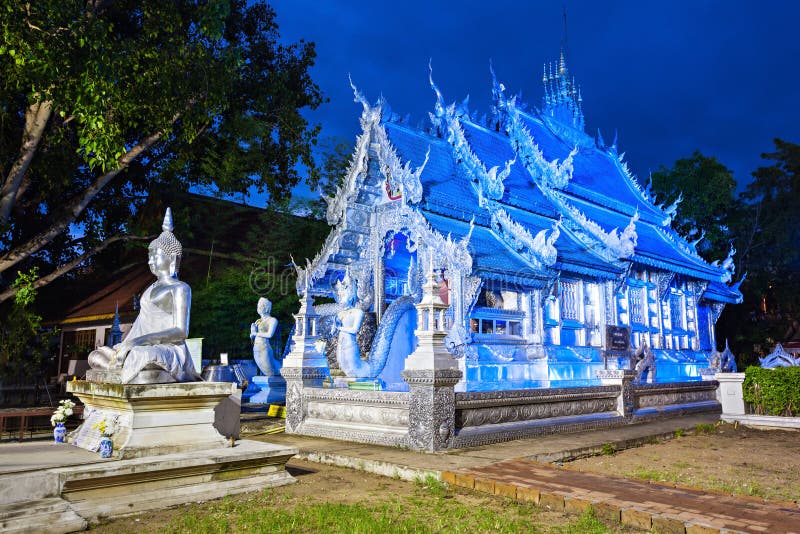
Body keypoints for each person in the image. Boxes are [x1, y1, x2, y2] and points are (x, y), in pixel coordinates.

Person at [87, 208, 201, 384]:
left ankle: (119, 364)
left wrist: (138, 342)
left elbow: (180, 331)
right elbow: (141, 323)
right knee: (95, 355)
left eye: (155, 256)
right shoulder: (150, 288)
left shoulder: (180, 288)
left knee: (143, 356)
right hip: (138, 345)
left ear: (171, 258)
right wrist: (129, 343)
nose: (150, 261)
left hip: (167, 348)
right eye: (150, 256)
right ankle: (115, 366)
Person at [332, 270, 369, 377]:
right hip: (340, 344)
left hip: (350, 344)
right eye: (340, 294)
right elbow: (334, 332)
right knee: (343, 366)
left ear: (351, 294)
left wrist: (340, 328)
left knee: (353, 370)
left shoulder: (358, 312)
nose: (340, 296)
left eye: (343, 294)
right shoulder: (340, 313)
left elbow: (354, 330)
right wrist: (334, 326)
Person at [251, 297, 279, 376]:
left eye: (261, 306)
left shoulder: (272, 320)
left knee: (270, 371)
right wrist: (252, 331)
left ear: (267, 308)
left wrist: (255, 333)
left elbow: (269, 335)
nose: (258, 308)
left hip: (264, 348)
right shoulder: (258, 321)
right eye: (258, 306)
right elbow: (252, 336)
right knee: (264, 370)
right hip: (256, 348)